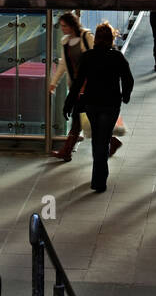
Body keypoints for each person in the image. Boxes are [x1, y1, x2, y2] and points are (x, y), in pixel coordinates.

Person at [68, 21, 134, 192]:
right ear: (112, 39)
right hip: (111, 105)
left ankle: (98, 178)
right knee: (102, 140)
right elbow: (128, 79)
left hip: (91, 104)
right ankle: (99, 180)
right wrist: (125, 96)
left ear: (96, 38)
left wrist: (69, 103)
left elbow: (78, 82)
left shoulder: (88, 56)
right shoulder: (117, 57)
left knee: (98, 139)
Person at [47, 11, 93, 161]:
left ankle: (66, 151)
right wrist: (54, 82)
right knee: (86, 118)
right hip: (75, 86)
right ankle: (112, 142)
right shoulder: (65, 41)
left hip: (89, 86)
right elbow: (63, 64)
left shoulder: (86, 37)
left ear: (72, 25)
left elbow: (95, 59)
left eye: (64, 26)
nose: (62, 29)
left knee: (78, 118)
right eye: (61, 26)